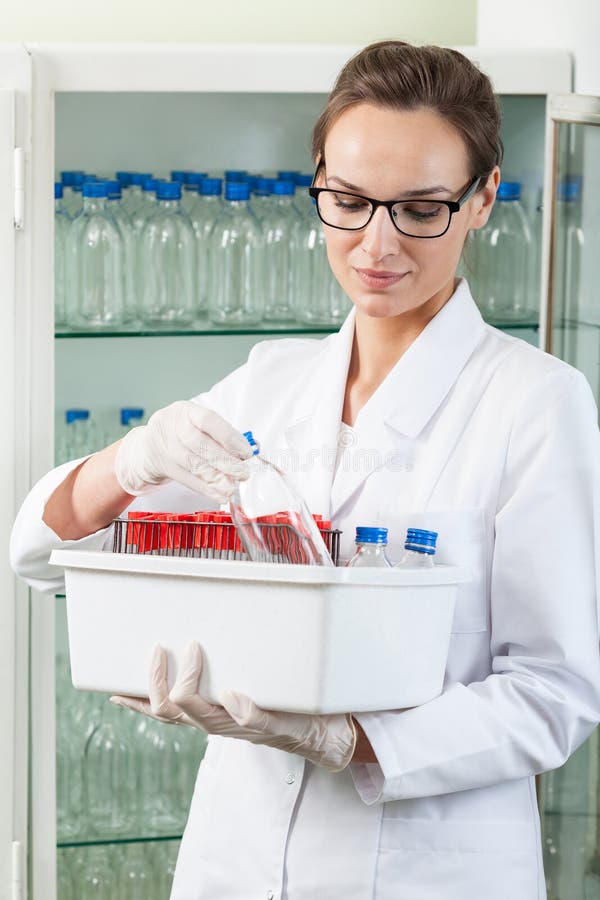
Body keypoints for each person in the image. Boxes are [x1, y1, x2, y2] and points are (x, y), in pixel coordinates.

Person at [10, 40, 600, 900]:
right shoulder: (269, 385)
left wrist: (345, 738)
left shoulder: (535, 403)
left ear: (483, 200)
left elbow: (554, 699)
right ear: (317, 182)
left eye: (421, 209)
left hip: (427, 873)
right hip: (234, 864)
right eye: (349, 201)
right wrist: (129, 460)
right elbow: (36, 559)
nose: (377, 243)